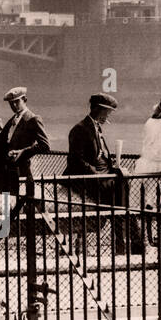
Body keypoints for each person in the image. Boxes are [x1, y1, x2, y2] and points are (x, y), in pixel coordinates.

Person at [66, 93, 141, 252]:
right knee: (120, 197)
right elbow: (75, 161)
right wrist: (97, 175)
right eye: (107, 112)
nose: (108, 116)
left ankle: (127, 242)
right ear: (98, 109)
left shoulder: (96, 127)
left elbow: (102, 155)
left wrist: (115, 167)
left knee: (121, 192)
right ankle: (132, 243)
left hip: (103, 177)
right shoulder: (80, 129)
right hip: (86, 179)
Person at [0, 87, 49, 170]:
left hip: (24, 169)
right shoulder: (11, 120)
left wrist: (22, 152)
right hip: (7, 169)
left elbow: (45, 146)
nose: (14, 105)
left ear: (25, 100)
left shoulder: (33, 119)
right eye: (11, 103)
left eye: (17, 101)